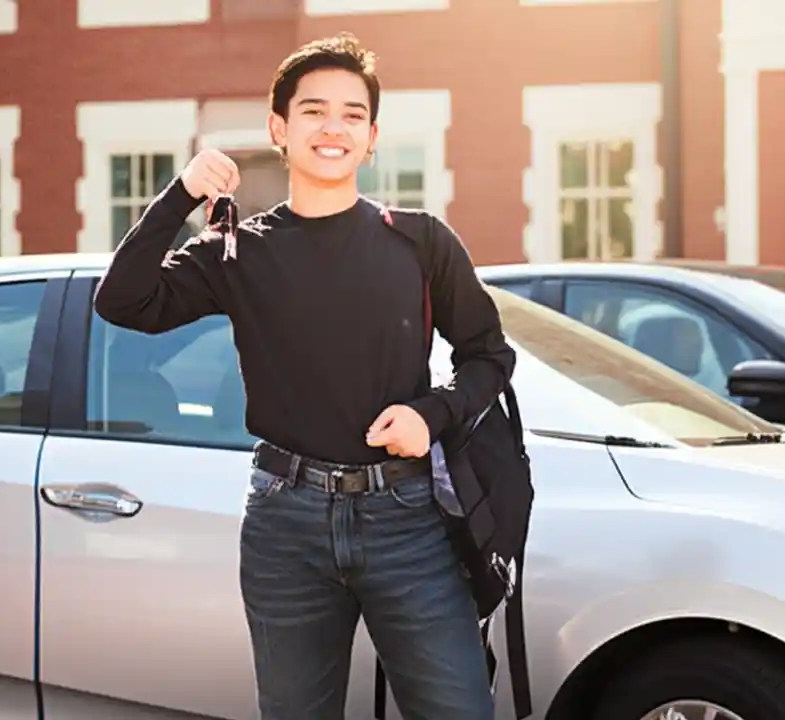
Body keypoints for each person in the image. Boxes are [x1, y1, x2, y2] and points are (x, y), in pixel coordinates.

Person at [94, 32, 516, 720]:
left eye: (352, 115)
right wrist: (179, 196)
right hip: (285, 523)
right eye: (315, 111)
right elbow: (123, 302)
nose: (333, 128)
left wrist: (430, 414)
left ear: (371, 138)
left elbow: (489, 355)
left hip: (405, 520)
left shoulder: (419, 242)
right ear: (279, 129)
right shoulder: (240, 252)